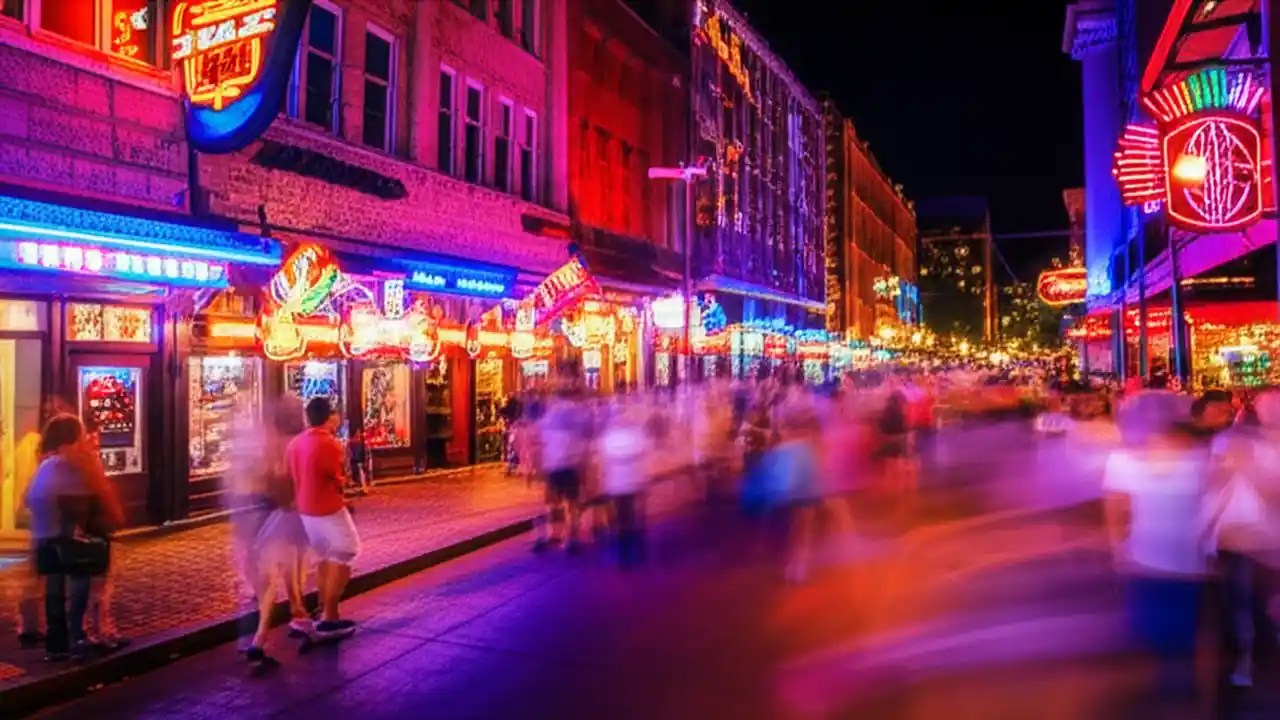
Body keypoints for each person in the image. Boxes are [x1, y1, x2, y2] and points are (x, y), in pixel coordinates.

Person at [1104, 391, 1210, 697]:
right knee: (1166, 627)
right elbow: (1116, 510)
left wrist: (1118, 550)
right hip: (1161, 557)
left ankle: (1176, 680)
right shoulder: (1125, 461)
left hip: (1171, 558)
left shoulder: (1199, 458)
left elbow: (1115, 511)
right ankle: (1175, 679)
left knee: (1173, 628)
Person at [24, 415, 104, 661]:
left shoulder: (46, 465)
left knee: (54, 589)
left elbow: (29, 499)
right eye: (80, 435)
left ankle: (56, 645)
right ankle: (76, 637)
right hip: (63, 535)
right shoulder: (66, 464)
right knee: (79, 580)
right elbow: (87, 497)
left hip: (42, 535)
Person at [287, 396, 359, 639]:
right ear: (330, 417)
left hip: (306, 510)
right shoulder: (330, 444)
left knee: (327, 555)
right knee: (347, 551)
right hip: (328, 509)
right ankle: (328, 615)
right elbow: (338, 479)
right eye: (335, 413)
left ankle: (326, 612)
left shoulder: (295, 444)